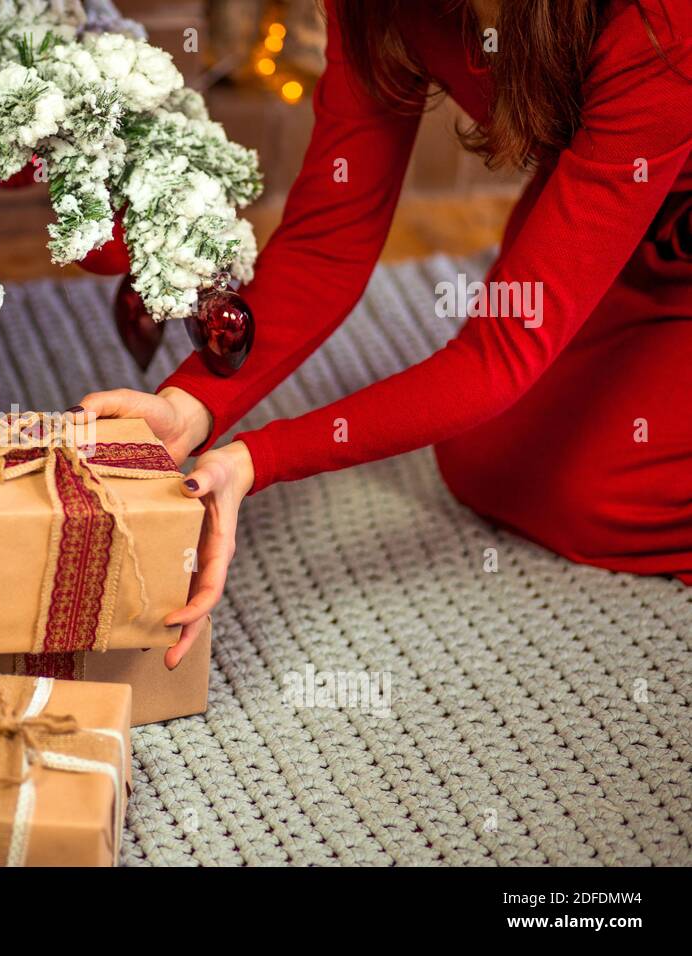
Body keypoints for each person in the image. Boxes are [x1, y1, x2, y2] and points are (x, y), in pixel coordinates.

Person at [72, 0, 692, 668]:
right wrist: (191, 405)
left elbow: (500, 356)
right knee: (489, 462)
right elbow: (325, 246)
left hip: (666, 200)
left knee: (590, 495)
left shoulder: (660, 24)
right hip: (627, 216)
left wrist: (260, 458)